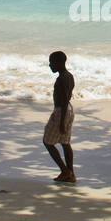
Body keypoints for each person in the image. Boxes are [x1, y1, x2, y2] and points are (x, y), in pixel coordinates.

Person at [43, 50, 75, 183]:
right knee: (65, 142)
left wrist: (61, 121)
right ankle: (70, 173)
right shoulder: (69, 76)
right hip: (68, 110)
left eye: (51, 63)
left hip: (61, 111)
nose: (50, 65)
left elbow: (62, 100)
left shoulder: (61, 79)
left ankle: (64, 170)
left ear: (59, 63)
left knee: (47, 141)